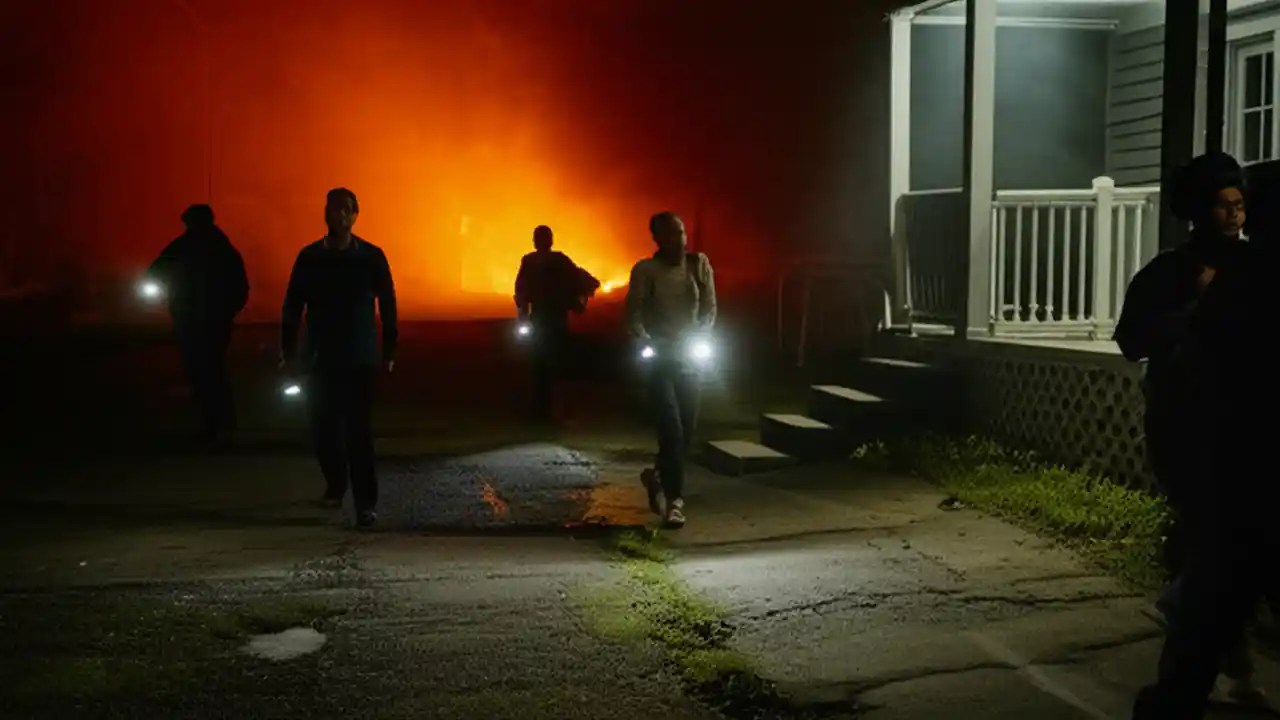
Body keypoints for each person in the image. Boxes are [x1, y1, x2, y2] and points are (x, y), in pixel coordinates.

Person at [1120, 152, 1277, 719]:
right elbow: (1131, 339)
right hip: (1188, 433)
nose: (1234, 214)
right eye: (1222, 204)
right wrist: (1195, 309)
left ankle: (1211, 654)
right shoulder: (1170, 271)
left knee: (1224, 558)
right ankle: (1206, 664)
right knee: (1213, 549)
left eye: (1240, 203)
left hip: (1246, 440)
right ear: (1198, 210)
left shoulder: (1258, 266)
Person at [281, 188, 397, 528]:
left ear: (355, 214)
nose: (340, 215)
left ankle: (365, 503)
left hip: (359, 357)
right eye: (334, 209)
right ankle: (336, 482)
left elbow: (388, 304)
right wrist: (288, 353)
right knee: (323, 428)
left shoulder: (371, 257)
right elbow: (292, 306)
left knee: (359, 432)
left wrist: (389, 348)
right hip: (320, 356)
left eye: (346, 210)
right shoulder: (310, 258)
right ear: (325, 214)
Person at [625, 211, 716, 529]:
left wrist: (702, 334)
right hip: (661, 361)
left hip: (690, 358)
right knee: (671, 428)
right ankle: (675, 502)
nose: (679, 239)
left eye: (681, 232)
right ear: (657, 239)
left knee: (686, 432)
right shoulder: (645, 271)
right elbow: (633, 313)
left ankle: (657, 476)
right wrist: (644, 338)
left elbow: (709, 308)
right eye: (671, 234)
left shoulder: (698, 265)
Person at [147, 204, 249, 446]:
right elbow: (241, 287)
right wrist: (228, 312)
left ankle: (214, 422)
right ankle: (220, 421)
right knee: (211, 369)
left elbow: (156, 271)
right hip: (207, 320)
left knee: (203, 370)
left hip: (195, 319)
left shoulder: (187, 247)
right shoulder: (222, 249)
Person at [513, 225, 600, 421]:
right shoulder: (551, 260)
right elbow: (522, 289)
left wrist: (522, 313)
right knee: (547, 363)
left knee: (544, 363)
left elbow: (521, 289)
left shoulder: (539, 261)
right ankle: (546, 408)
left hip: (547, 318)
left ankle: (545, 408)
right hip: (550, 318)